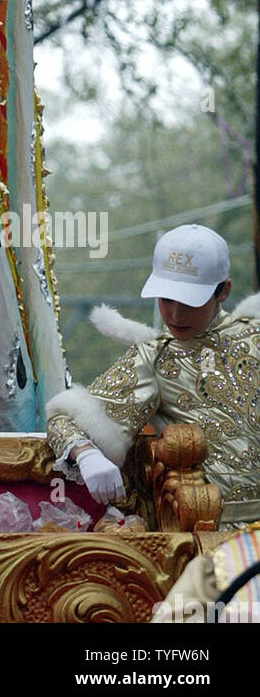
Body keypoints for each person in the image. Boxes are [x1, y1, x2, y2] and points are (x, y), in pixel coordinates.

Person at [46, 224, 260, 526]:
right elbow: (62, 420)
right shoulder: (156, 357)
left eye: (189, 302)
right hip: (209, 534)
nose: (175, 315)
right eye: (166, 299)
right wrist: (85, 454)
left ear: (223, 290)